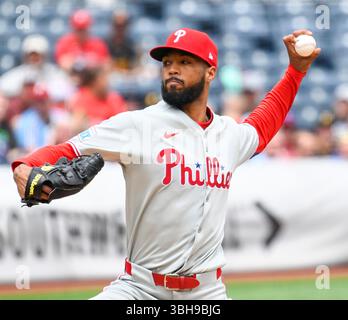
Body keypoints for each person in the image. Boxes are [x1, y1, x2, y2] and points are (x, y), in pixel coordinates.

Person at [12, 28, 320, 300]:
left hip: (207, 292)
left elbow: (262, 124)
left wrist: (295, 72)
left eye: (185, 62)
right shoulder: (139, 126)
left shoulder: (228, 135)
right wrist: (24, 166)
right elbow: (68, 148)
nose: (173, 69)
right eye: (168, 62)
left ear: (210, 73)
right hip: (140, 288)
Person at [0, 34, 73, 101]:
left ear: (45, 55)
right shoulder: (19, 74)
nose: (34, 58)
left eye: (38, 55)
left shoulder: (54, 73)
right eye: (31, 55)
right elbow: (3, 86)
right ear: (26, 56)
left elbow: (67, 91)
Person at [68, 65, 127, 132]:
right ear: (93, 82)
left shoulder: (114, 98)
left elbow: (123, 123)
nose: (106, 83)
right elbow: (76, 126)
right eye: (103, 79)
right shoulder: (80, 98)